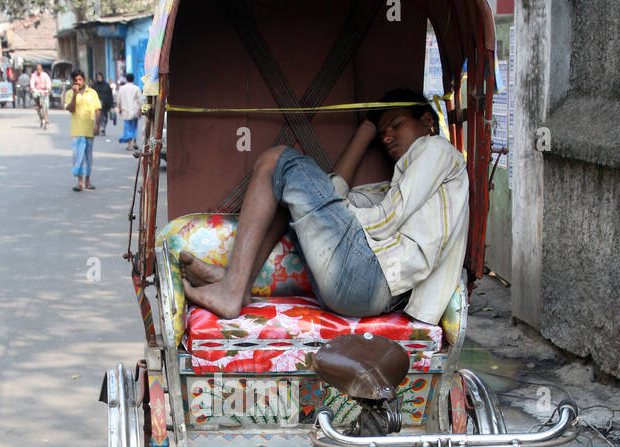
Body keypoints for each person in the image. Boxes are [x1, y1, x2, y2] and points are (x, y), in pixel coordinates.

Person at [181, 89, 468, 328]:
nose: (388, 137)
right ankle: (238, 283)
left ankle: (231, 287)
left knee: (276, 160)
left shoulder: (436, 149)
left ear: (427, 121)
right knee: (283, 192)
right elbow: (336, 191)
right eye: (383, 134)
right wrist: (365, 133)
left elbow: (385, 219)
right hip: (367, 292)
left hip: (370, 278)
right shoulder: (393, 186)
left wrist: (335, 211)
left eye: (397, 125)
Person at [64, 70, 101, 190]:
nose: (78, 82)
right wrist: (75, 94)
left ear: (84, 80)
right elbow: (70, 109)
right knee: (78, 157)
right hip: (77, 131)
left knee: (88, 157)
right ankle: (80, 182)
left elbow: (97, 110)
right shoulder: (69, 93)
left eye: (80, 80)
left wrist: (97, 126)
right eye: (75, 81)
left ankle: (88, 180)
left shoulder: (92, 93)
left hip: (89, 130)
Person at [117, 71, 142, 150]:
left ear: (126, 79)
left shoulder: (122, 89)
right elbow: (140, 101)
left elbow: (118, 100)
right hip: (135, 111)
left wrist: (119, 109)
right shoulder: (136, 88)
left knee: (128, 128)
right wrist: (141, 110)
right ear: (133, 79)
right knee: (134, 127)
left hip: (125, 111)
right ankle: (135, 142)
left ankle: (129, 145)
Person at [92, 73, 114, 138]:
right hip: (97, 104)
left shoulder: (106, 85)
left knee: (104, 117)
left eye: (100, 77)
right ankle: (99, 128)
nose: (99, 78)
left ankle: (103, 128)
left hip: (106, 104)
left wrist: (111, 105)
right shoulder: (94, 85)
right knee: (99, 117)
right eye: (98, 77)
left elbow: (110, 95)